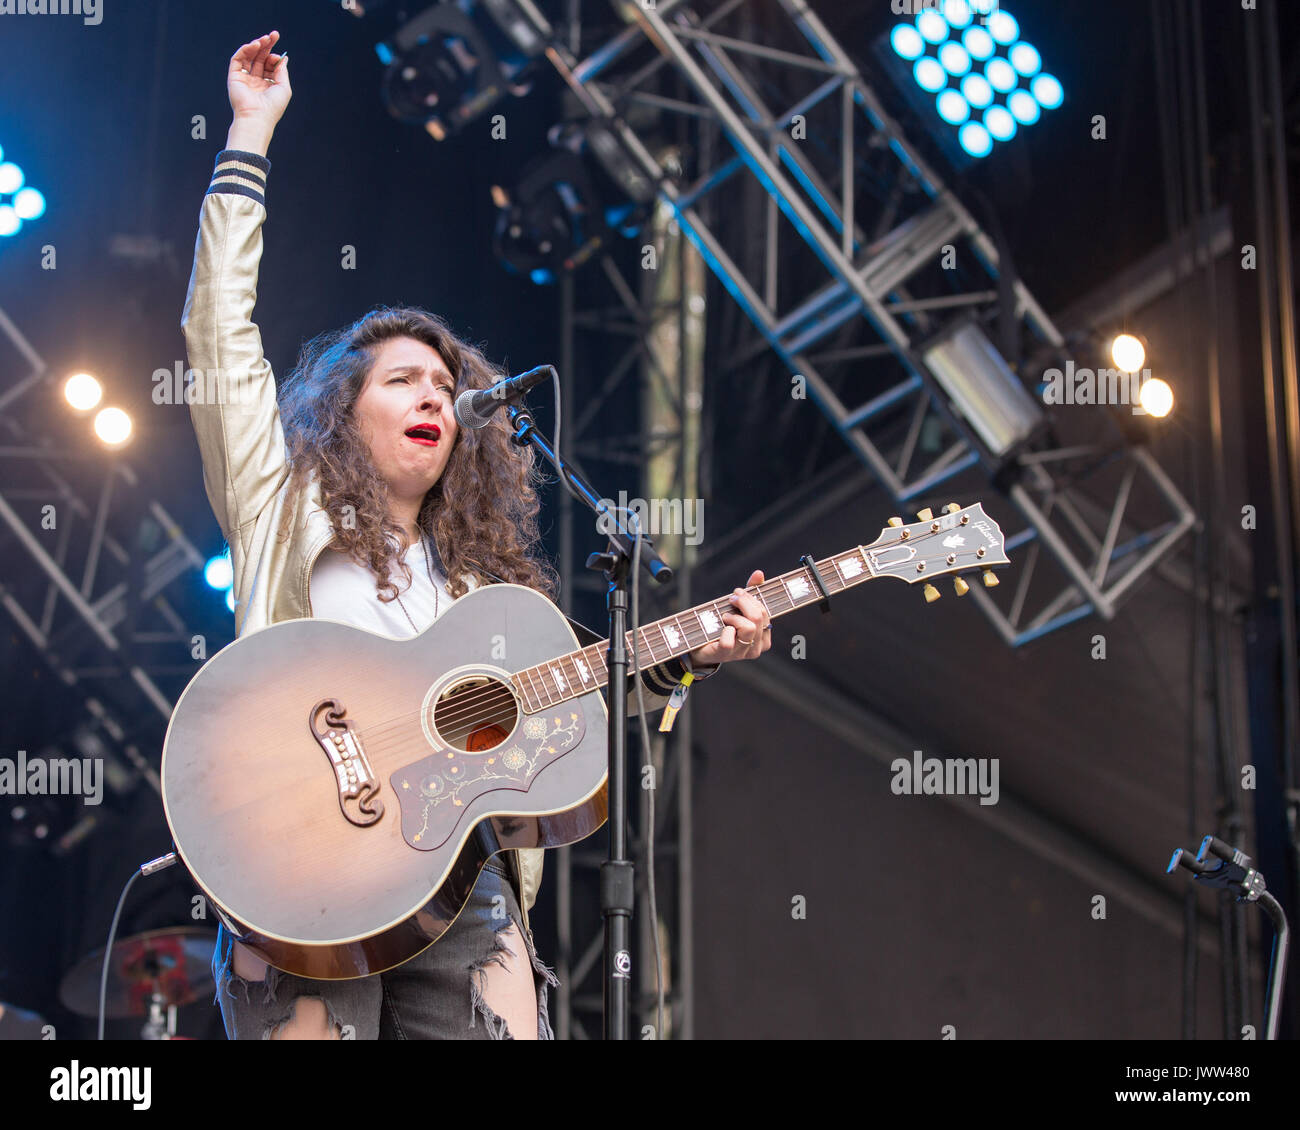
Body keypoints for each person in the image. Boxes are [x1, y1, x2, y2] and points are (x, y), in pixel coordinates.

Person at [183, 31, 772, 1041]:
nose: (436, 396)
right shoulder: (278, 496)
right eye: (403, 378)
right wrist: (249, 135)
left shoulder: (486, 589)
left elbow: (563, 704)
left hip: (466, 889)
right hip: (299, 871)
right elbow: (217, 329)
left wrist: (686, 659)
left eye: (449, 387)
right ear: (339, 404)